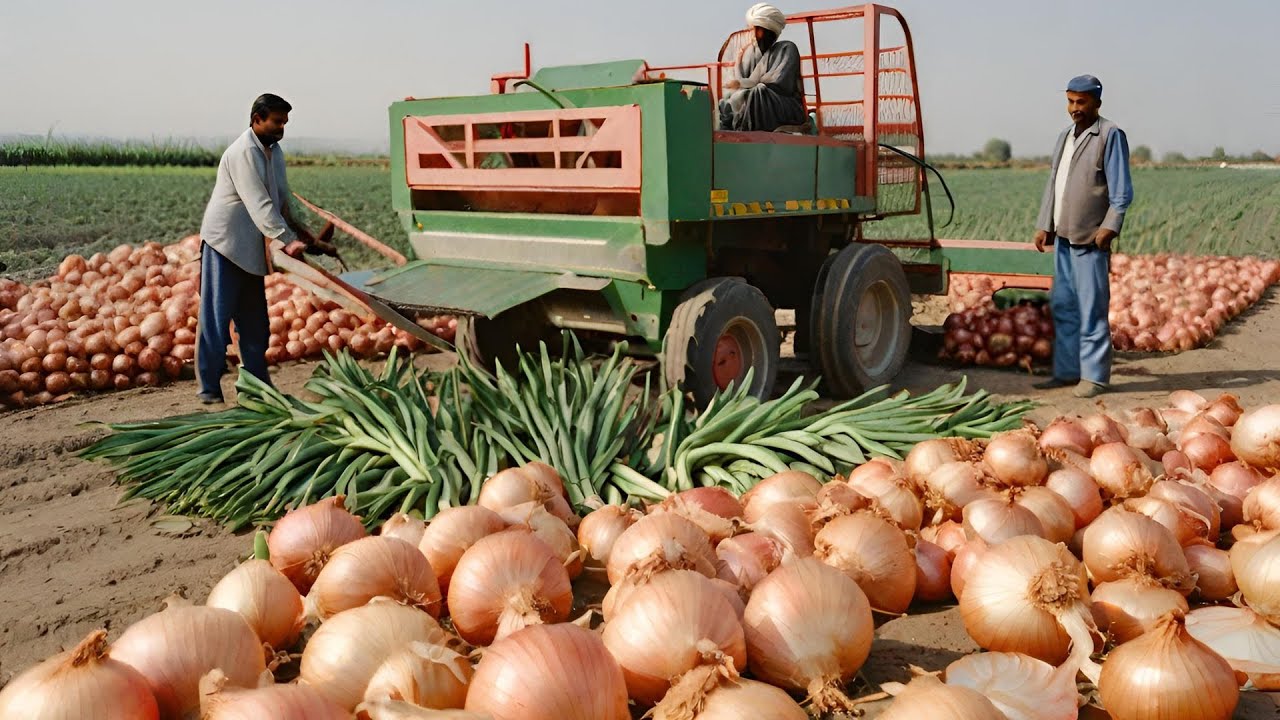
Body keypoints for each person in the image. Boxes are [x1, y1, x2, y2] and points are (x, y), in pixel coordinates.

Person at [196, 93, 332, 404]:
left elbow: (282, 200)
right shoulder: (243, 152)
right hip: (225, 243)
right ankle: (209, 388)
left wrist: (306, 236)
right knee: (217, 318)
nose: (282, 128)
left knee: (255, 322)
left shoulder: (275, 152)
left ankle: (257, 387)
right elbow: (259, 204)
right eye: (277, 122)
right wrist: (288, 240)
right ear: (257, 119)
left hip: (252, 245)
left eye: (285, 123)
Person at [1032, 75, 1133, 399]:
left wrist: (1109, 227)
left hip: (1090, 239)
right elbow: (1054, 183)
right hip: (1063, 236)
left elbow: (1121, 191)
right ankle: (1067, 371)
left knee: (1091, 309)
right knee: (1064, 305)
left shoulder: (1110, 135)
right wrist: (1044, 224)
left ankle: (1095, 377)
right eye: (1070, 101)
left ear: (1096, 103)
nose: (1074, 108)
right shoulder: (1065, 137)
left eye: (1081, 102)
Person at [718, 3, 807, 133]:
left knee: (757, 92)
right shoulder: (764, 55)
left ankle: (745, 129)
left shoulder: (787, 48)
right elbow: (754, 79)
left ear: (767, 30)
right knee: (730, 99)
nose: (753, 34)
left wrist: (755, 87)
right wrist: (738, 83)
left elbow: (780, 83)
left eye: (757, 30)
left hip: (785, 105)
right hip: (763, 97)